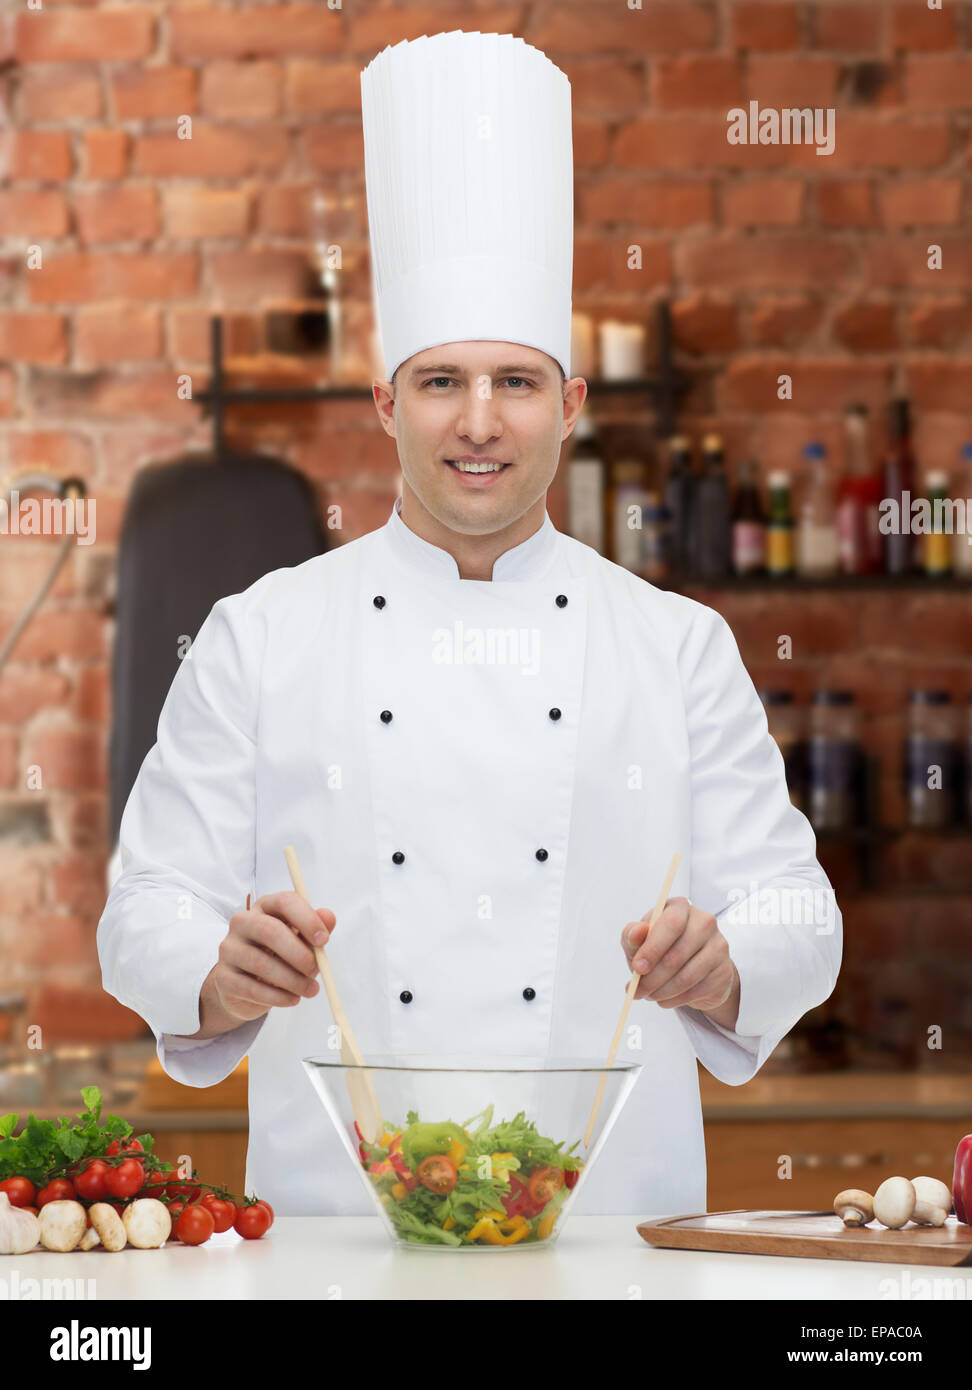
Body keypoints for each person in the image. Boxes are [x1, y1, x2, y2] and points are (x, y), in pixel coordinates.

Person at [98, 31, 841, 1217]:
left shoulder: (678, 645)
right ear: (387, 401)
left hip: (615, 1247)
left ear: (572, 405)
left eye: (518, 382)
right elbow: (140, 914)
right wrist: (214, 971)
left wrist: (734, 958)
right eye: (442, 381)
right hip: (336, 1248)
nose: (480, 422)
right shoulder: (260, 635)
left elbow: (804, 914)